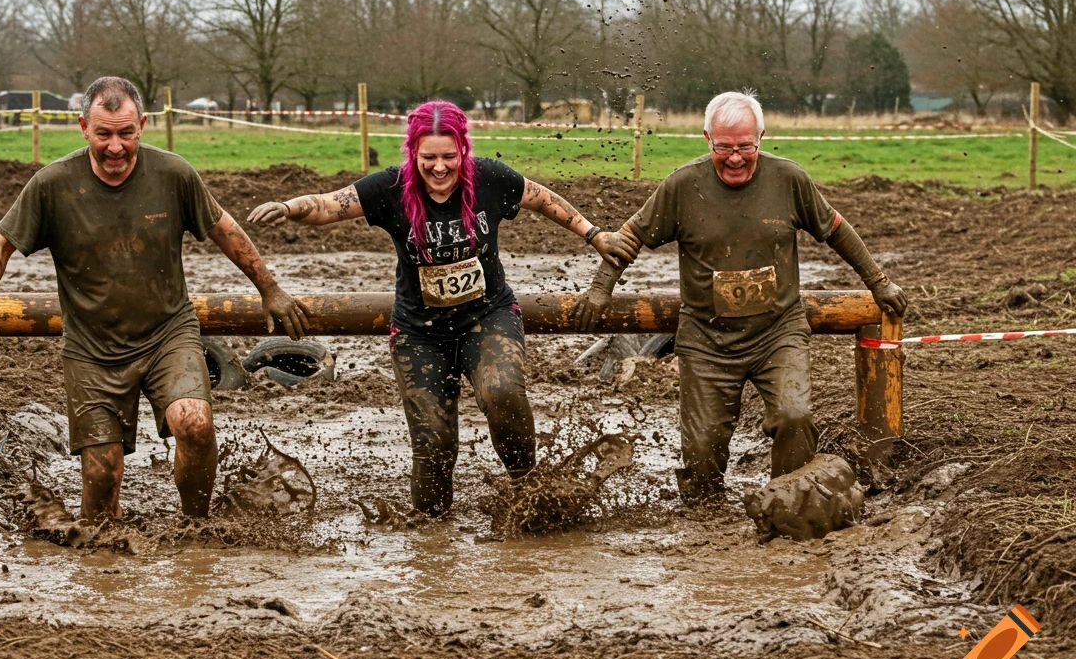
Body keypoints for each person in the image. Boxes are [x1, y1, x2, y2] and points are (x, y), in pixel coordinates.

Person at [248, 100, 636, 517]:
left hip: (487, 317)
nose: (439, 168)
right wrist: (290, 208)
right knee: (433, 440)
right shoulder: (391, 187)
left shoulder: (489, 177)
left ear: (463, 152)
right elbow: (329, 204)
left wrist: (594, 234)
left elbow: (541, 198)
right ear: (413, 153)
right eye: (428, 158)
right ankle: (432, 537)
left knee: (503, 392)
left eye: (449, 157)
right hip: (419, 332)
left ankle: (529, 492)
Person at [0, 76, 308, 522]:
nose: (116, 147)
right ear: (83, 126)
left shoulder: (173, 174)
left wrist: (271, 290)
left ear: (142, 124)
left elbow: (225, 229)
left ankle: (195, 526)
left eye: (127, 133)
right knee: (103, 472)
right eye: (104, 134)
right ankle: (103, 556)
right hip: (91, 349)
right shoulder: (53, 185)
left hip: (167, 335)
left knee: (195, 423)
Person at [574, 91, 906, 502]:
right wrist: (600, 289)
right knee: (701, 451)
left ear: (761, 137)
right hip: (706, 339)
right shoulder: (682, 185)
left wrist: (878, 281)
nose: (735, 157)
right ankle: (703, 512)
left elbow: (836, 229)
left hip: (777, 332)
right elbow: (631, 236)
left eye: (745, 146)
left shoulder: (788, 180)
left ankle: (788, 502)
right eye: (724, 147)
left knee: (794, 416)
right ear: (706, 139)